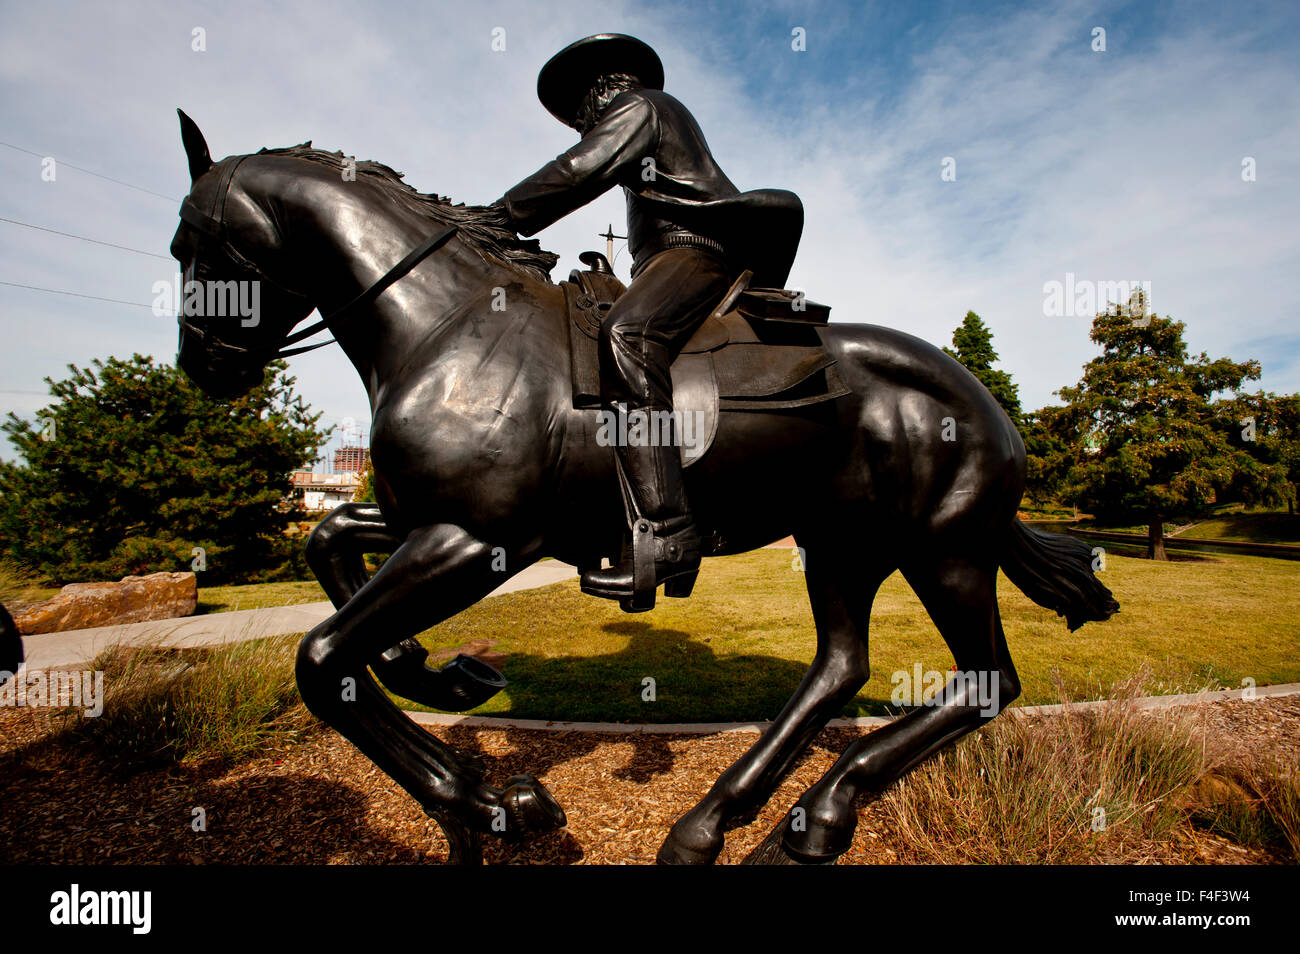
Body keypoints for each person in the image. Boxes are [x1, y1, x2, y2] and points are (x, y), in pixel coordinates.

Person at [490, 34, 802, 608]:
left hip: (696, 250)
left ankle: (668, 534)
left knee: (629, 336)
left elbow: (579, 169)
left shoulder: (641, 107)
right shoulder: (646, 117)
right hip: (667, 259)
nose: (581, 124)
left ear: (598, 93)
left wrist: (495, 218)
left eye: (578, 111)